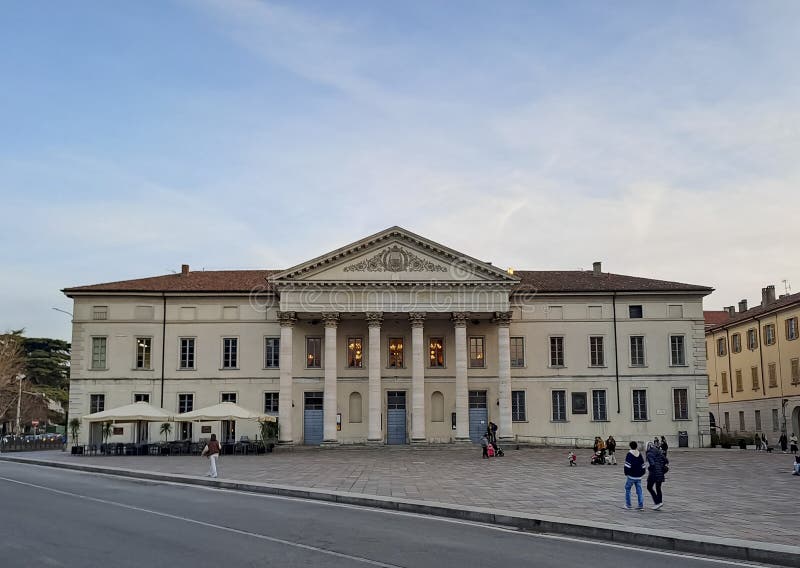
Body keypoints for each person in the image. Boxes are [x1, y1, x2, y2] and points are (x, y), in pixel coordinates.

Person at [646, 442, 669, 510]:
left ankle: (657, 502)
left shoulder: (649, 453)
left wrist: (649, 468)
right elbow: (666, 460)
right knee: (658, 488)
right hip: (660, 472)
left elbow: (652, 464)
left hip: (654, 473)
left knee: (649, 487)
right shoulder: (658, 451)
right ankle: (660, 502)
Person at [624, 441, 646, 510]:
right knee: (639, 491)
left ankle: (628, 505)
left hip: (631, 475)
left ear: (630, 446)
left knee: (627, 489)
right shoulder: (639, 454)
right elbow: (643, 465)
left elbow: (627, 465)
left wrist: (626, 473)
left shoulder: (629, 454)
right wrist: (642, 472)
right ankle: (641, 505)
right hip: (639, 476)